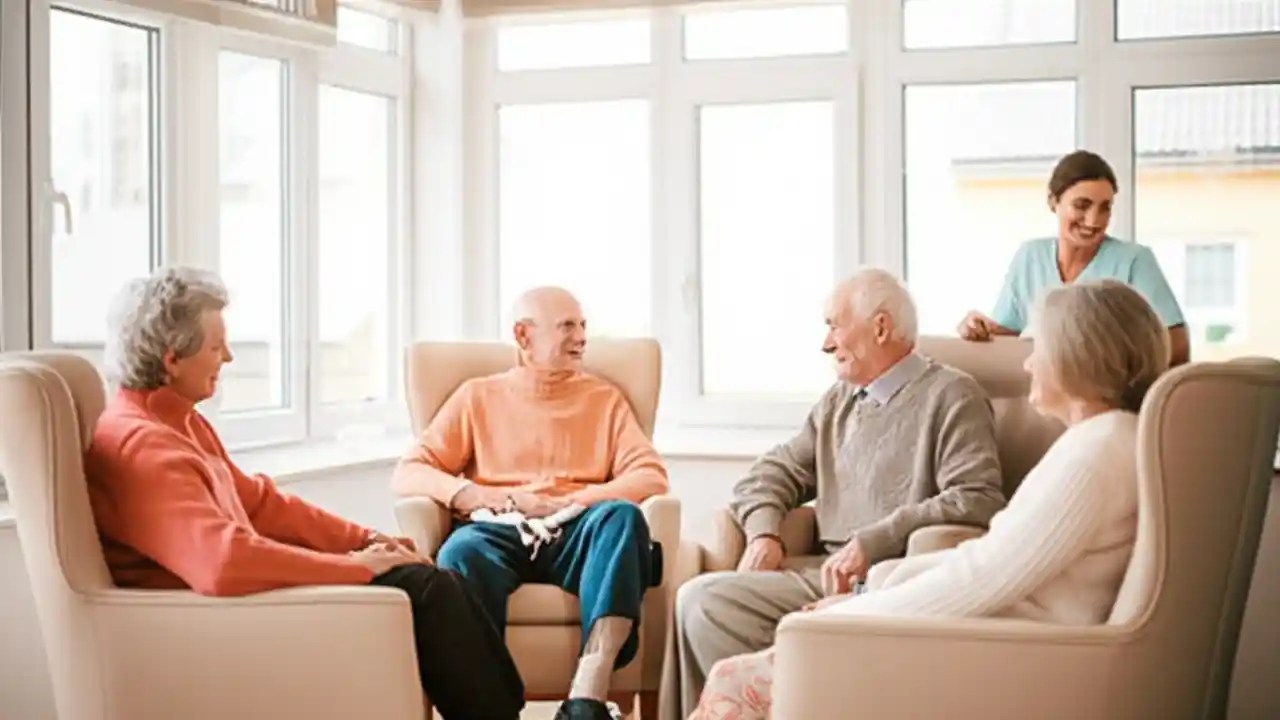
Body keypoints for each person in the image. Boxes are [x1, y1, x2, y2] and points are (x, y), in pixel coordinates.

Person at [691, 278, 1169, 720]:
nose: (1026, 364)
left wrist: (849, 613)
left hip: (998, 650)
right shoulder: (1099, 442)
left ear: (1076, 355)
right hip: (979, 632)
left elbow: (983, 577)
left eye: (1037, 349)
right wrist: (880, 585)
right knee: (721, 627)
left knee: (733, 680)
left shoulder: (1093, 455)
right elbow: (988, 560)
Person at [84, 267, 524, 720]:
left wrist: (368, 539)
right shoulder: (140, 445)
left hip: (236, 598)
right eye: (217, 347)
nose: (230, 358)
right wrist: (354, 568)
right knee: (429, 590)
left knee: (436, 577)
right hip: (205, 618)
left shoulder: (180, 420)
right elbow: (222, 564)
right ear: (172, 359)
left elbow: (261, 504)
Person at [666, 268, 1006, 720]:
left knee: (704, 603)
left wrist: (873, 540)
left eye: (834, 325)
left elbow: (977, 497)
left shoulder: (953, 395)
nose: (826, 343)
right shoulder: (840, 400)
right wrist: (765, 534)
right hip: (821, 573)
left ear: (880, 327)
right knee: (702, 600)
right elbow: (768, 473)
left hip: (896, 580)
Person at [392, 286, 668, 720]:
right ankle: (487, 708)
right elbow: (410, 470)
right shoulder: (476, 396)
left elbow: (650, 474)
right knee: (459, 551)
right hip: (499, 527)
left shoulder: (604, 398)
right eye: (567, 326)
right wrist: (484, 496)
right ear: (523, 336)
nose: (581, 337)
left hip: (577, 526)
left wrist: (570, 501)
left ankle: (586, 696)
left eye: (582, 325)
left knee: (624, 518)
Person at [957, 149, 1190, 366]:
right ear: (1053, 202)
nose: (1093, 220)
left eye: (1105, 208)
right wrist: (978, 329)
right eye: (1082, 205)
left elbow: (1178, 346)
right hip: (1040, 393)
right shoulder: (1030, 257)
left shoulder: (1134, 261)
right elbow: (1008, 336)